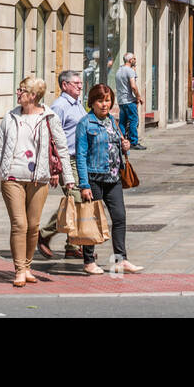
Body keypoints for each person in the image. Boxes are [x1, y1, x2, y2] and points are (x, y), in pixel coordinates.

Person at [0, 76, 77, 287]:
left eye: (22, 90)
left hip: (39, 179)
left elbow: (62, 148)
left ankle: (27, 267)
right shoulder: (10, 117)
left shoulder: (49, 117)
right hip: (12, 177)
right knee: (19, 224)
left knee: (33, 226)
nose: (18, 93)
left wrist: (68, 179)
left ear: (33, 96)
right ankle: (19, 269)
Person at [75, 84, 143, 275]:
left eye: (107, 100)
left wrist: (125, 145)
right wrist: (84, 184)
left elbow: (116, 144)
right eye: (100, 101)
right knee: (93, 220)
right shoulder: (85, 123)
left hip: (113, 178)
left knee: (119, 217)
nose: (105, 105)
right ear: (92, 102)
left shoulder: (112, 121)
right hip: (94, 178)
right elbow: (80, 155)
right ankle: (88, 261)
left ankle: (120, 260)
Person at [38, 70, 88, 259]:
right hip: (67, 161)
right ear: (64, 85)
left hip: (80, 160)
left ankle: (72, 246)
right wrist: (54, 167)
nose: (80, 86)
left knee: (80, 202)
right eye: (76, 83)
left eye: (80, 83)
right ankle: (44, 234)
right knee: (75, 201)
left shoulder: (77, 104)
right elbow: (50, 136)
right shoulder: (59, 106)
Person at [114, 52, 145, 150]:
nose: (135, 61)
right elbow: (133, 86)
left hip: (121, 100)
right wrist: (138, 97)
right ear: (131, 60)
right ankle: (133, 142)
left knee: (122, 122)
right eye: (134, 59)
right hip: (129, 100)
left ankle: (121, 141)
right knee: (133, 121)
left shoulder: (119, 70)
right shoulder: (130, 71)